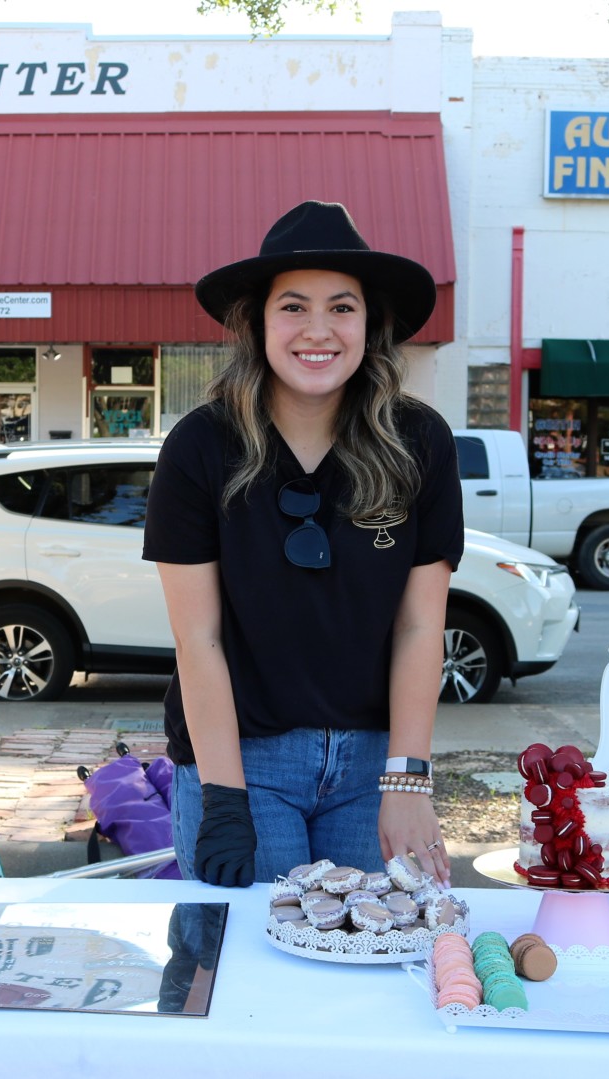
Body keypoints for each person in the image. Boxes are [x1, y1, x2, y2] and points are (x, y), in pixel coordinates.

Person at [142, 200, 464, 890]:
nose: (318, 331)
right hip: (244, 761)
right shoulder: (200, 448)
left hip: (373, 766)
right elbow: (197, 640)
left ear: (369, 324)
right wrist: (225, 799)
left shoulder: (421, 443)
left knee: (373, 967)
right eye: (293, 307)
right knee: (251, 975)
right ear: (257, 322)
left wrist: (408, 782)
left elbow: (419, 627)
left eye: (341, 308)